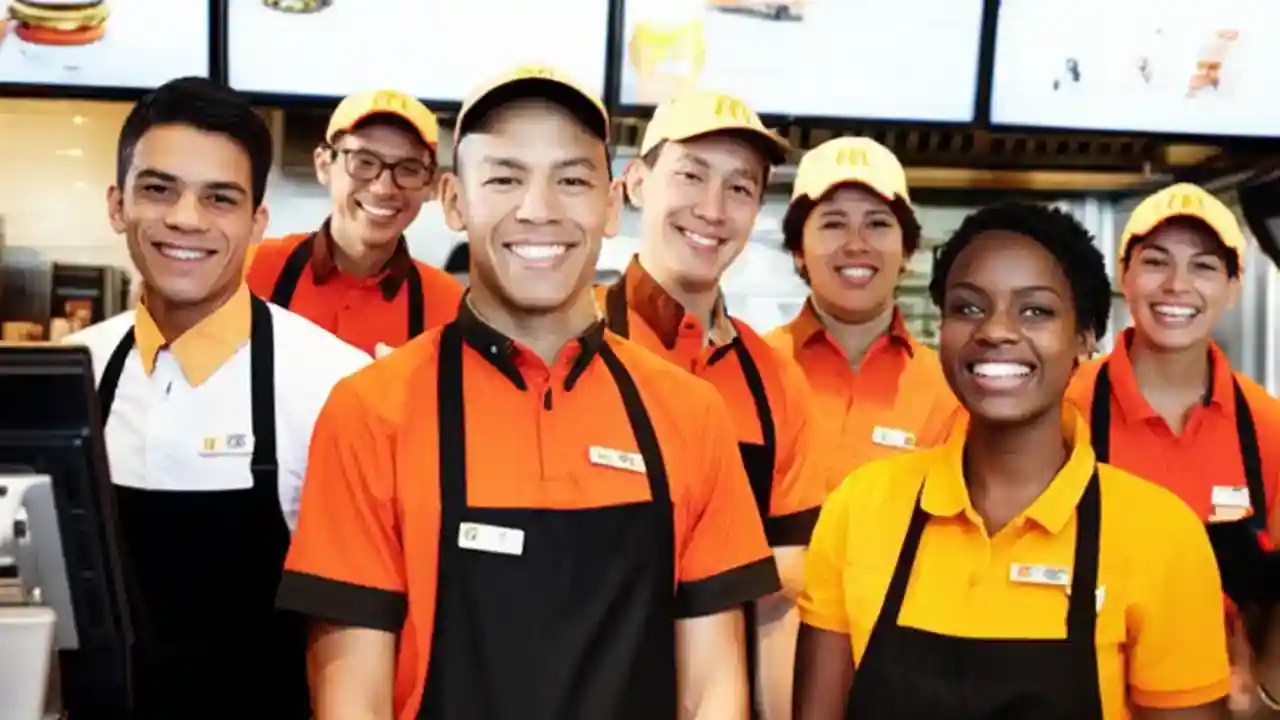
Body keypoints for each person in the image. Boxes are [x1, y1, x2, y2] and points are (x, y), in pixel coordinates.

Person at [276, 65, 781, 720]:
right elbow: (352, 698)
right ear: (455, 201)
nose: (539, 209)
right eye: (505, 178)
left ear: (608, 203)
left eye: (571, 180)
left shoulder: (689, 413)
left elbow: (713, 689)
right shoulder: (372, 410)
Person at [794, 202, 1233, 720]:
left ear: (1085, 336)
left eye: (1036, 311)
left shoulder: (1160, 534)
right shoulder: (860, 507)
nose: (995, 331)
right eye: (968, 307)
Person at [65, 77, 369, 719]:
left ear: (256, 221)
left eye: (220, 198)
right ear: (118, 204)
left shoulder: (334, 385)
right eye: (159, 189)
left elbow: (357, 631)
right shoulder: (74, 373)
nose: (185, 219)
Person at [601, 87, 825, 719]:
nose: (712, 209)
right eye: (690, 175)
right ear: (637, 182)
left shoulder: (774, 380)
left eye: (739, 188)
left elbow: (780, 601)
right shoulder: (574, 345)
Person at [1065, 183, 1280, 712]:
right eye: (1156, 262)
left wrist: (1265, 694)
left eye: (1205, 267)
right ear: (1126, 277)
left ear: (1233, 287)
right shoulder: (1063, 411)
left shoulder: (1269, 427)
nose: (1177, 286)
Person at [766, 137, 960, 486]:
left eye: (877, 224)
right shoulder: (754, 370)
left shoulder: (949, 391)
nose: (856, 244)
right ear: (798, 250)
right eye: (833, 223)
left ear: (906, 251)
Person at [245, 88, 464, 358]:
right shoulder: (251, 272)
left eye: (408, 169)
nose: (384, 188)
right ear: (324, 165)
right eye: (364, 162)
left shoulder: (448, 307)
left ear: (428, 185)